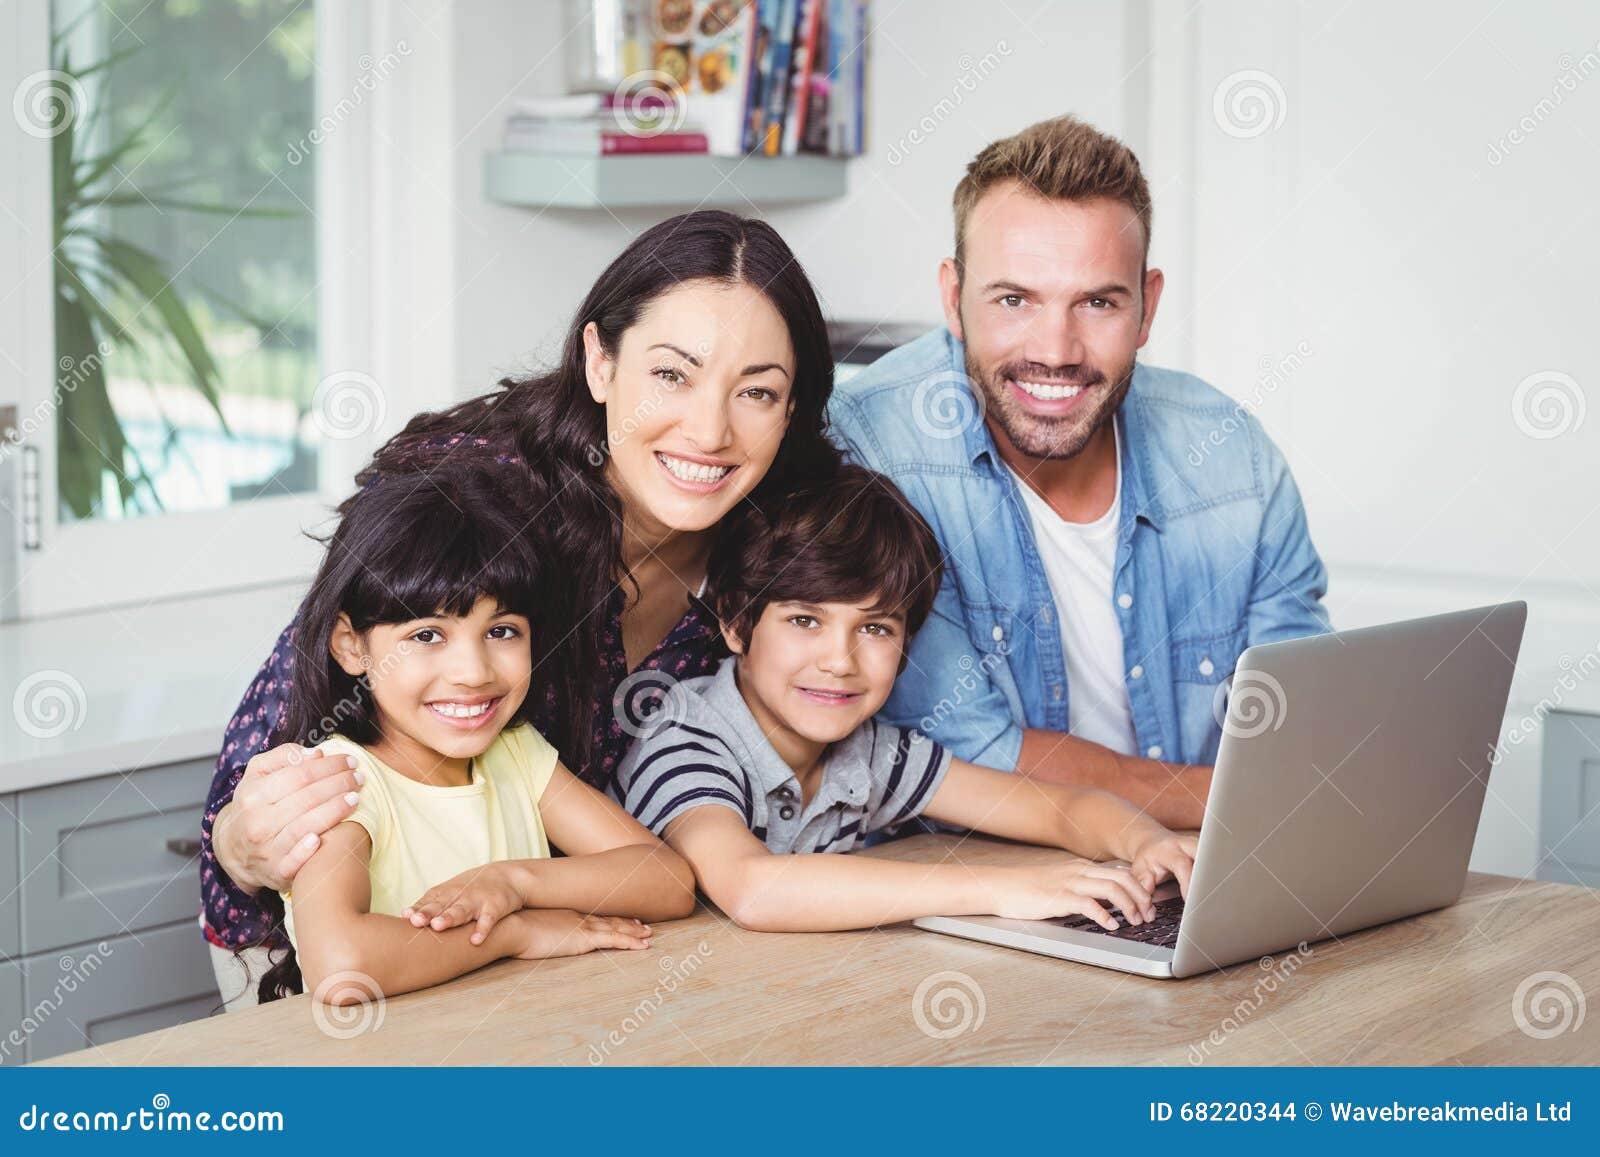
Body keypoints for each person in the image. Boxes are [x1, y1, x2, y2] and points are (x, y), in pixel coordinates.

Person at [202, 209, 842, 1004]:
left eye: (756, 391)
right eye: (672, 374)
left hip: (563, 968)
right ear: (600, 362)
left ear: (791, 410)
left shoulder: (790, 550)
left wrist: (522, 900)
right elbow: (274, 786)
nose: (709, 429)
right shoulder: (476, 494)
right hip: (330, 977)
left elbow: (666, 871)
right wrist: (243, 842)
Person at [403, 467, 1195, 937]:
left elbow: (1055, 811)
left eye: (876, 627)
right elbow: (751, 887)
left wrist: (1146, 837)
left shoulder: (872, 751)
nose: (840, 660)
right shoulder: (685, 736)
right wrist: (998, 887)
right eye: (805, 619)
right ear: (738, 624)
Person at [828, 115, 1331, 830]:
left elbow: (1298, 724)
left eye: (1097, 302)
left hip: (1208, 872)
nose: (1056, 351)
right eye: (1013, 300)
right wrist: (1242, 800)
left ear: (1147, 306)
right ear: (953, 299)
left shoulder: (1231, 455)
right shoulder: (870, 446)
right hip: (974, 883)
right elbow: (967, 749)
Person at [243, 464, 696, 1004]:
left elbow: (668, 880)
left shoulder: (517, 754)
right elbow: (341, 967)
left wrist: (514, 884)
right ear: (351, 645)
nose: (474, 671)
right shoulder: (337, 785)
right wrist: (514, 932)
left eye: (501, 631)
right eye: (428, 634)